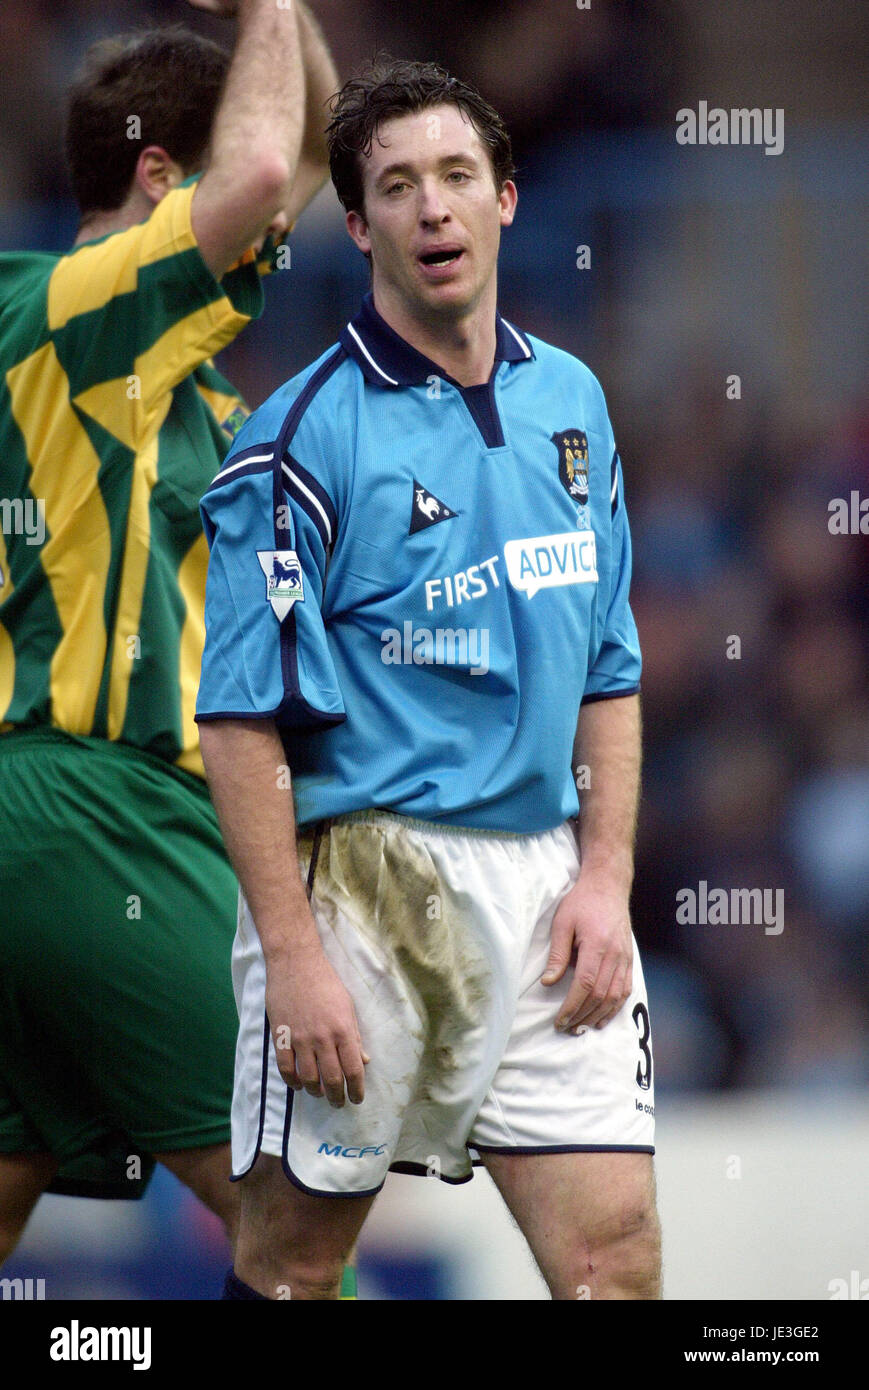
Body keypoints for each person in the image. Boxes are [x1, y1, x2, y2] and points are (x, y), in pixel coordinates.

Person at [196, 58, 662, 1302]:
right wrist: (293, 958)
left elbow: (608, 671)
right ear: (357, 226)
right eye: (395, 188)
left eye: (456, 177)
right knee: (293, 1266)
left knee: (612, 1259)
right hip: (356, 890)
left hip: (548, 898)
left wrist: (606, 877)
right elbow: (240, 724)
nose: (432, 209)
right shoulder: (293, 441)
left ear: (506, 197)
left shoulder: (573, 402)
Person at [0, 0, 339, 1269]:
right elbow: (260, 173)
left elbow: (293, 156)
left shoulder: (163, 356)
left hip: (45, 828)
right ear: (155, 176)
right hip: (98, 807)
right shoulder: (74, 308)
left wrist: (282, 11)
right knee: (300, 1210)